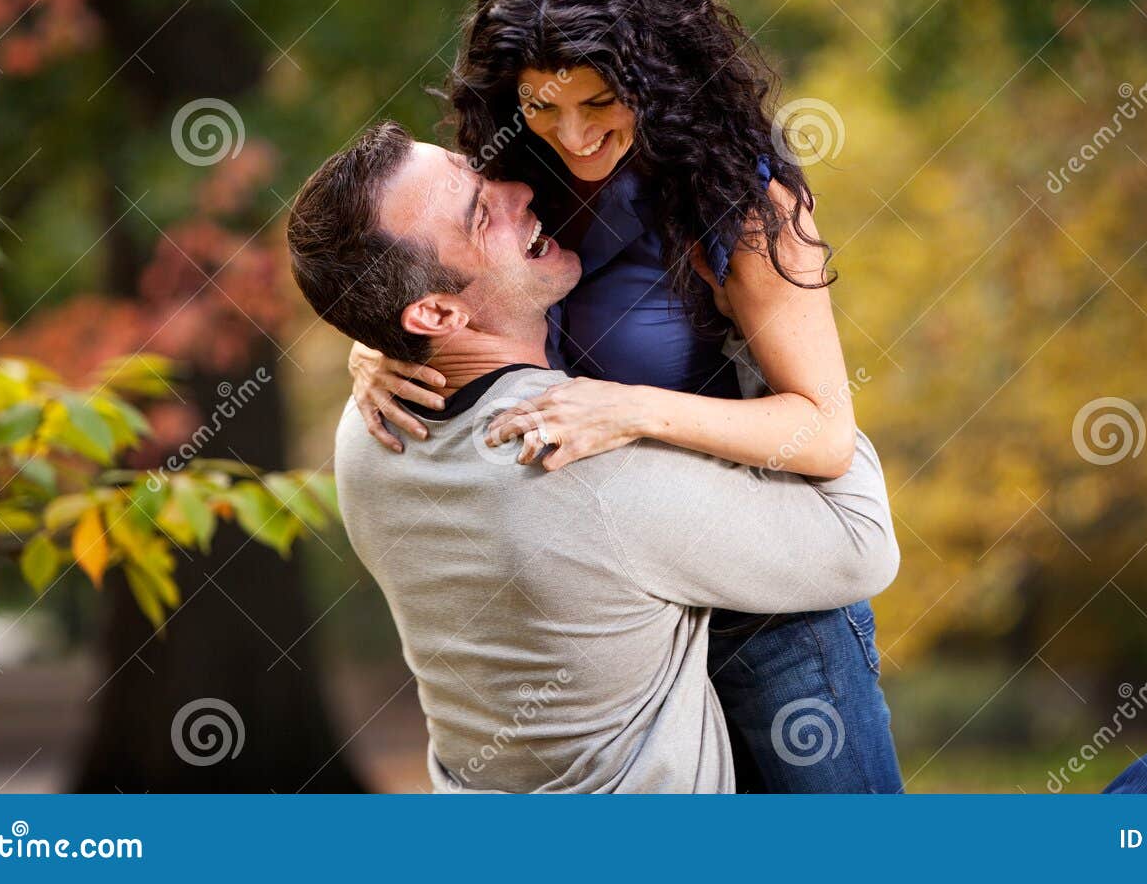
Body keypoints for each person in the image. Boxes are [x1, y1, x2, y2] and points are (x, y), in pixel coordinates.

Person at [345, 0, 903, 791]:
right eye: (543, 104)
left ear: (659, 73)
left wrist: (630, 410)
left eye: (601, 103)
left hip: (768, 614)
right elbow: (439, 290)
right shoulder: (514, 180)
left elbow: (823, 433)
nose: (573, 134)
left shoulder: (744, 208)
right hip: (620, 626)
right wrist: (377, 348)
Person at [286, 122, 899, 792]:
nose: (520, 189)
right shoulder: (575, 457)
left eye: (481, 172)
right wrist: (765, 329)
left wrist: (376, 343)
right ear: (435, 315)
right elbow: (860, 540)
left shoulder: (363, 439)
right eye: (482, 214)